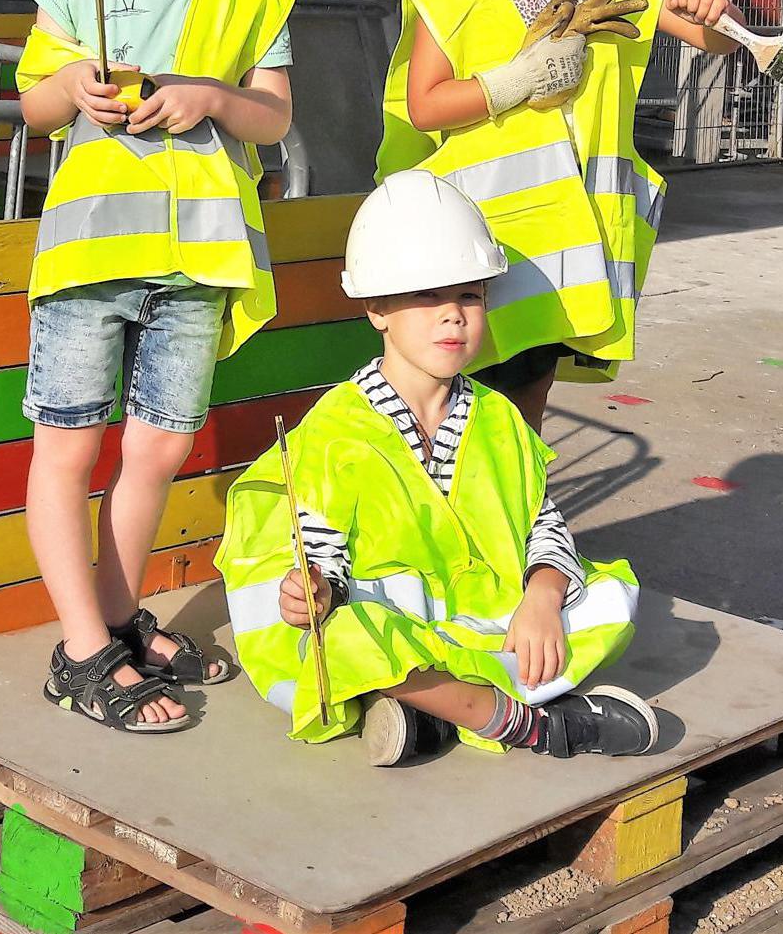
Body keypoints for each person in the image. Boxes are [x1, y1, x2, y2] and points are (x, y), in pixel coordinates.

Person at [16, 0, 296, 735]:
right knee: (68, 449)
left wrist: (210, 98)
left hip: (197, 265)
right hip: (91, 263)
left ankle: (122, 615)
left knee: (157, 453)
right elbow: (30, 107)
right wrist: (70, 88)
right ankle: (81, 649)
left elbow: (273, 114)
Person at [217, 172, 656, 766]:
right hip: (388, 619)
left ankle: (431, 710)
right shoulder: (333, 428)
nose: (452, 316)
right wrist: (312, 594)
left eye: (469, 296)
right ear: (376, 308)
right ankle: (527, 723)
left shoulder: (499, 418)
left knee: (614, 597)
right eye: (426, 296)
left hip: (486, 621)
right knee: (342, 644)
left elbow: (542, 523)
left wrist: (543, 600)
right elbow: (318, 554)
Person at [379, 0, 744, 428]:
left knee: (522, 416)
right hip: (474, 247)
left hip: (562, 248)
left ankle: (515, 533)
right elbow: (423, 106)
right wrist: (515, 78)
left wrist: (713, 7)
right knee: (450, 417)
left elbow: (715, 39)